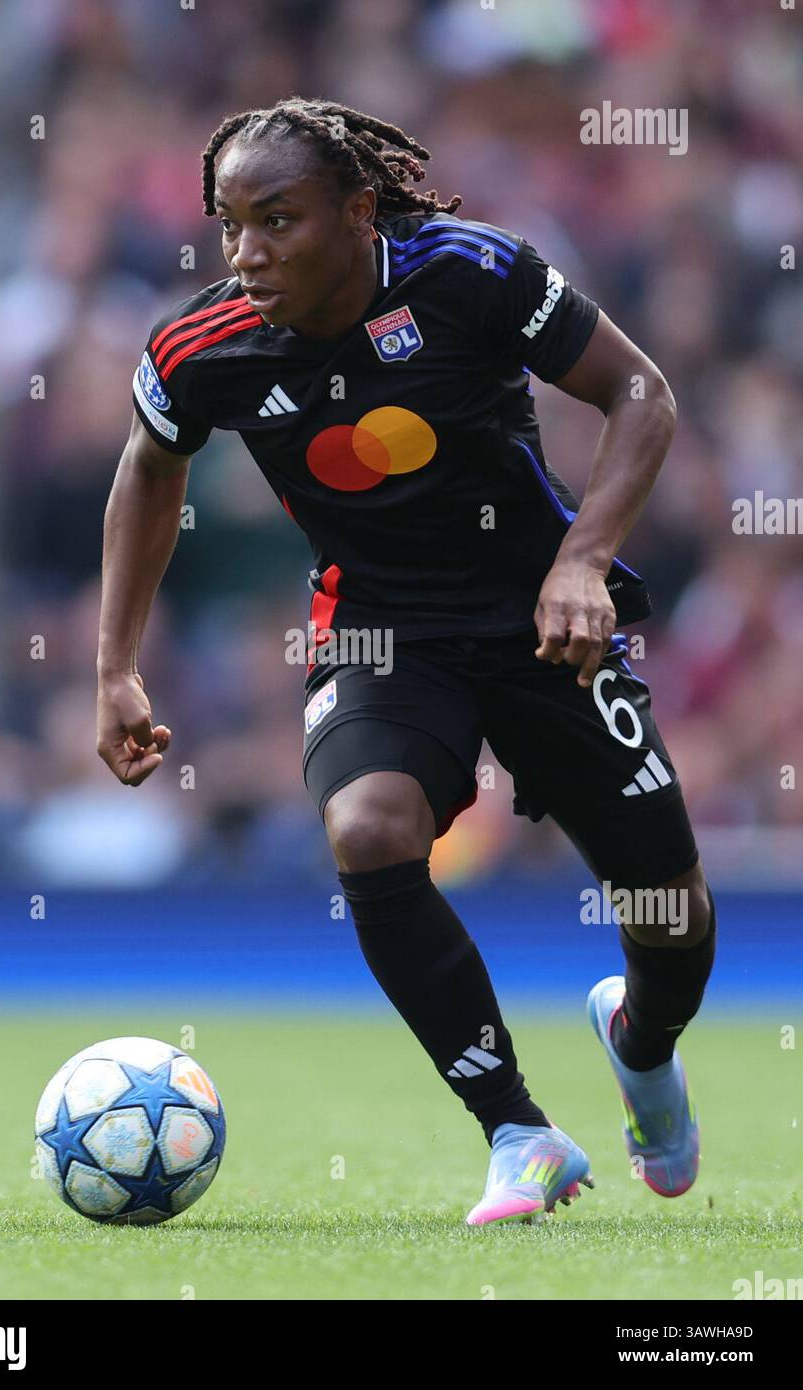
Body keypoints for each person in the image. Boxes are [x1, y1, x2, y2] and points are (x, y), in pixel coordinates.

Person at [96, 98, 715, 1226]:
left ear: (357, 207)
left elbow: (641, 394)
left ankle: (641, 1039)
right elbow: (148, 465)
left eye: (277, 219)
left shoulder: (471, 273)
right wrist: (115, 666)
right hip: (383, 631)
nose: (249, 252)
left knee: (669, 915)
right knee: (367, 829)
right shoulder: (204, 343)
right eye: (229, 225)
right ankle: (518, 1129)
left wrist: (584, 561)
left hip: (543, 621)